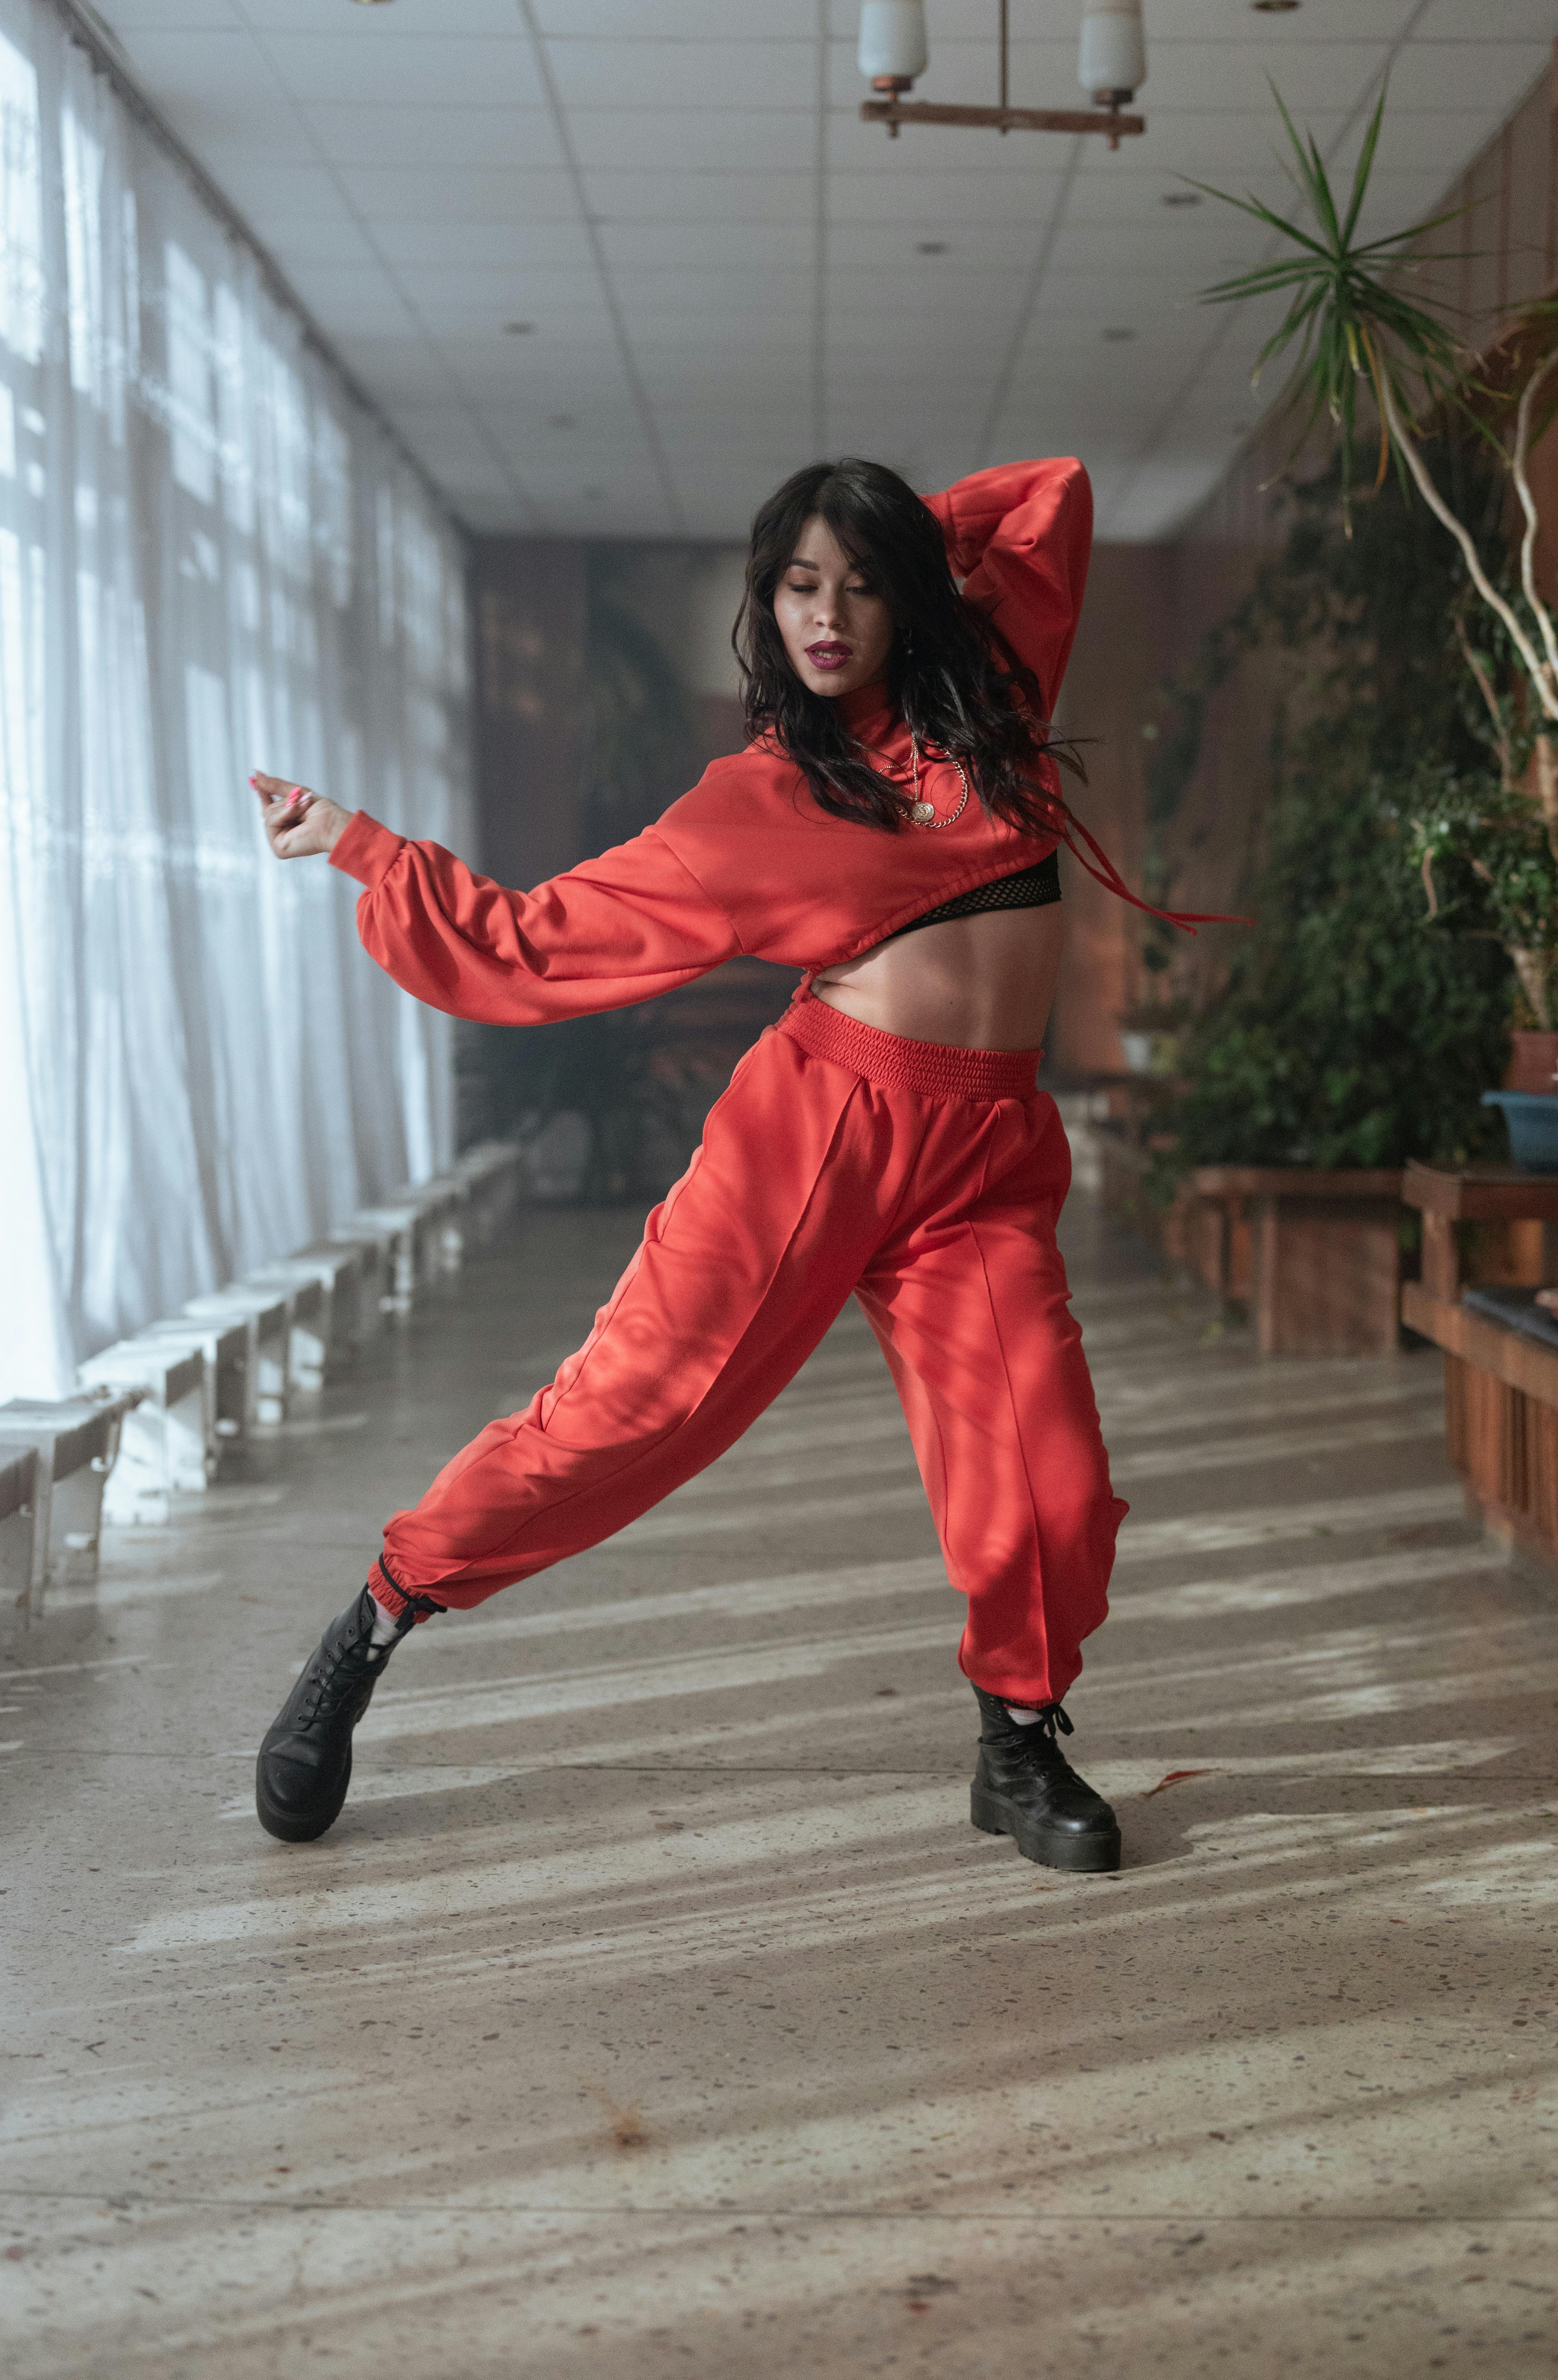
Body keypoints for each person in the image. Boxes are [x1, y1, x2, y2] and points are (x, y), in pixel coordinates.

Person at [249, 455, 1204, 1872]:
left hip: (988, 1156)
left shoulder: (997, 691)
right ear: (766, 603)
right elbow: (536, 939)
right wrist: (367, 852)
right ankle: (383, 1610)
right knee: (625, 1416)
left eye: (862, 584)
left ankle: (1015, 1739)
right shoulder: (758, 801)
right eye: (799, 585)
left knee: (1047, 1480)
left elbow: (1050, 497)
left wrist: (893, 533)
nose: (829, 616)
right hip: (818, 1133)